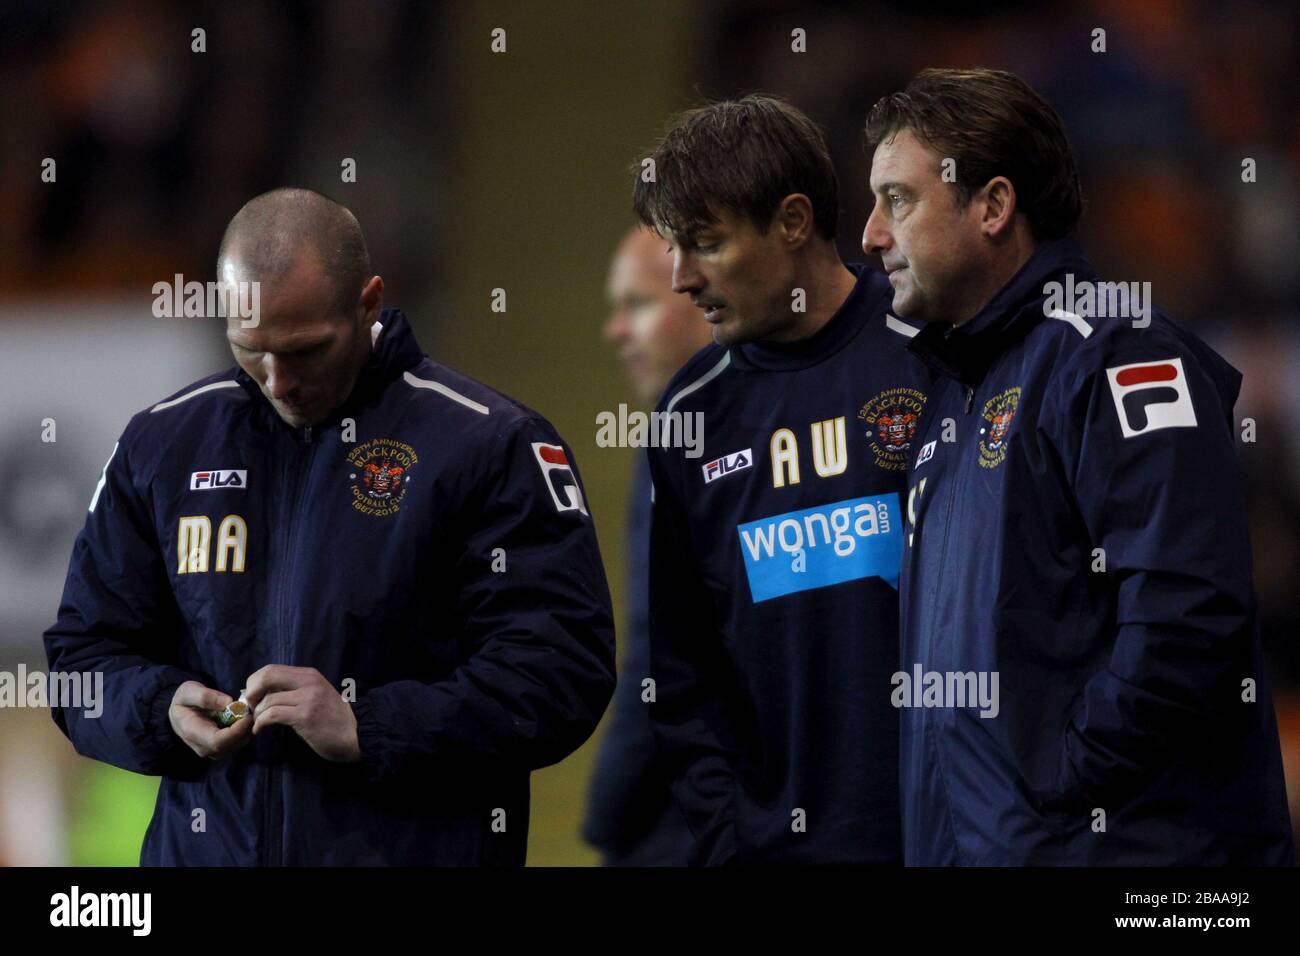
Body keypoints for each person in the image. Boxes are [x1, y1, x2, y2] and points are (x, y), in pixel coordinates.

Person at [43, 187, 616, 866]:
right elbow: (80, 660)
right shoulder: (162, 446)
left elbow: (559, 672)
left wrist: (367, 725)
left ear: (369, 304)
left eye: (305, 351)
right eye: (251, 350)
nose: (278, 381)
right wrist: (160, 706)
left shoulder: (491, 445)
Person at [864, 68, 1294, 864]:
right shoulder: (953, 402)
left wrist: (1064, 778)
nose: (872, 235)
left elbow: (1188, 612)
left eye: (898, 200)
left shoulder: (1117, 353)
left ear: (992, 206)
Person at [634, 95, 931, 864]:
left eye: (704, 243)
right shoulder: (690, 414)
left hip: (954, 837)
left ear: (794, 221)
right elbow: (681, 670)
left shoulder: (934, 353)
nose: (681, 279)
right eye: (673, 247)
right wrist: (731, 843)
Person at [582, 226, 712, 865]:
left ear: (697, 290)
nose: (615, 331)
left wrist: (606, 811)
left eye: (637, 304)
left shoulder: (683, 438)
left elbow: (658, 654)